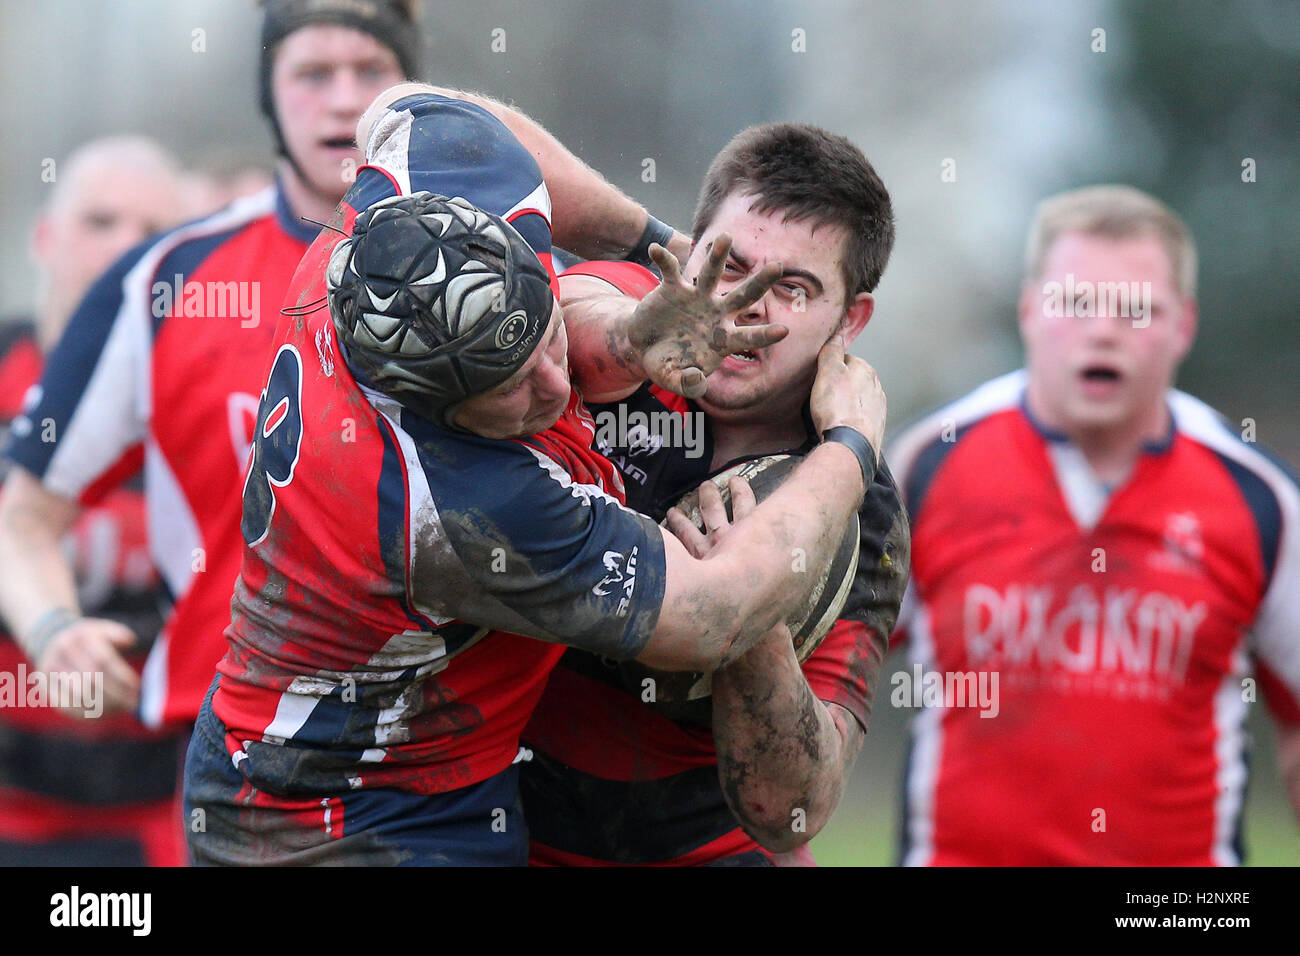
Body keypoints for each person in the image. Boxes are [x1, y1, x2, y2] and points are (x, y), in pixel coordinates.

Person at [183, 87, 887, 866]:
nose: (556, 394)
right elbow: (713, 612)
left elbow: (423, 107)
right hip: (345, 808)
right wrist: (844, 456)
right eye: (510, 399)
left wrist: (651, 251)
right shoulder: (456, 505)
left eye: (548, 343)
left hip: (557, 818)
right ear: (447, 412)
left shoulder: (425, 202)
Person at [0, 0, 682, 734]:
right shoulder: (165, 282)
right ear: (269, 93)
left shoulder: (502, 263)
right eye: (312, 73)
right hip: (232, 750)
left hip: (460, 748)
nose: (343, 96)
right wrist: (50, 629)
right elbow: (23, 518)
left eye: (371, 71)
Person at [518, 123, 910, 866]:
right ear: (690, 250)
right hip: (501, 825)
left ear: (849, 321)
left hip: (705, 850)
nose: (747, 302)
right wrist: (632, 330)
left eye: (792, 288)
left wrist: (749, 602)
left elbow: (793, 812)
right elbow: (436, 121)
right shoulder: (623, 317)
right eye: (728, 263)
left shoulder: (861, 507)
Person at [887, 184, 1300, 866]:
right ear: (1028, 311)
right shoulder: (927, 463)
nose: (1103, 330)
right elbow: (825, 668)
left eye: (1136, 309)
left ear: (1184, 326)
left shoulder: (1259, 497)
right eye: (1074, 303)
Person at [0, 135, 187, 865]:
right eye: (100, 222)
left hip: (160, 818)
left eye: (152, 233)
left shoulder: (219, 411)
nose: (124, 250)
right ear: (44, 238)